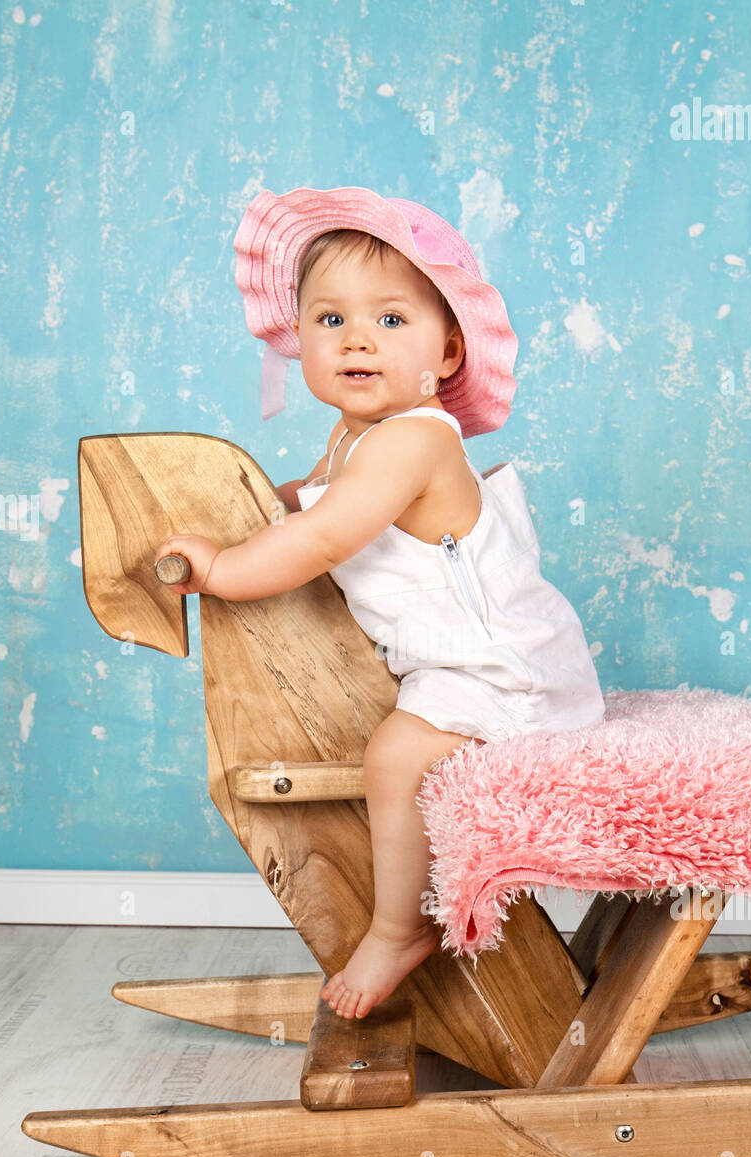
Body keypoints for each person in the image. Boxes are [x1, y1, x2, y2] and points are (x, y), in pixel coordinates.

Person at [156, 186, 604, 1020]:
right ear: (301, 341)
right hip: (453, 663)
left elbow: (324, 538)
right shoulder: (357, 435)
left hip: (503, 669)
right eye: (330, 320)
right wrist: (263, 509)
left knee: (396, 755)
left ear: (447, 353)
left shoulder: (411, 439)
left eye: (393, 321)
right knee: (389, 734)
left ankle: (401, 928)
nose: (358, 338)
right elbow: (312, 503)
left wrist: (223, 570)